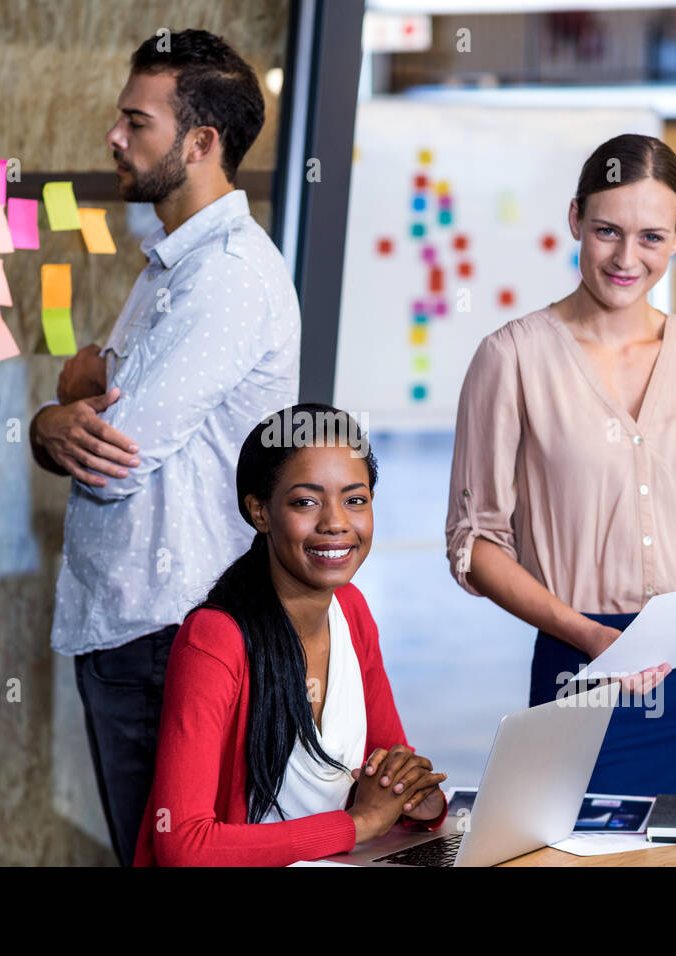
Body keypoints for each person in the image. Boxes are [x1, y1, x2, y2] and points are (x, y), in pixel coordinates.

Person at [445, 133, 676, 799]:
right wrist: (586, 634)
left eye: (652, 238)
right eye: (607, 231)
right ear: (575, 217)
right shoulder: (512, 359)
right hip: (583, 668)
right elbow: (475, 543)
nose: (627, 258)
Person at [28, 29, 300, 866]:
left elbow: (113, 456)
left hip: (170, 633)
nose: (114, 137)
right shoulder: (169, 268)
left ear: (200, 142)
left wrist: (54, 421)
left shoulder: (225, 277)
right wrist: (59, 412)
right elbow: (88, 385)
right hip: (140, 626)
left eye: (134, 121)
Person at [133, 405, 449, 866]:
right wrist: (358, 824)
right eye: (306, 501)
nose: (336, 522)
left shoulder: (352, 610)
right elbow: (183, 844)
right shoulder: (214, 641)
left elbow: (389, 767)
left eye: (355, 500)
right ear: (259, 511)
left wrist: (417, 802)